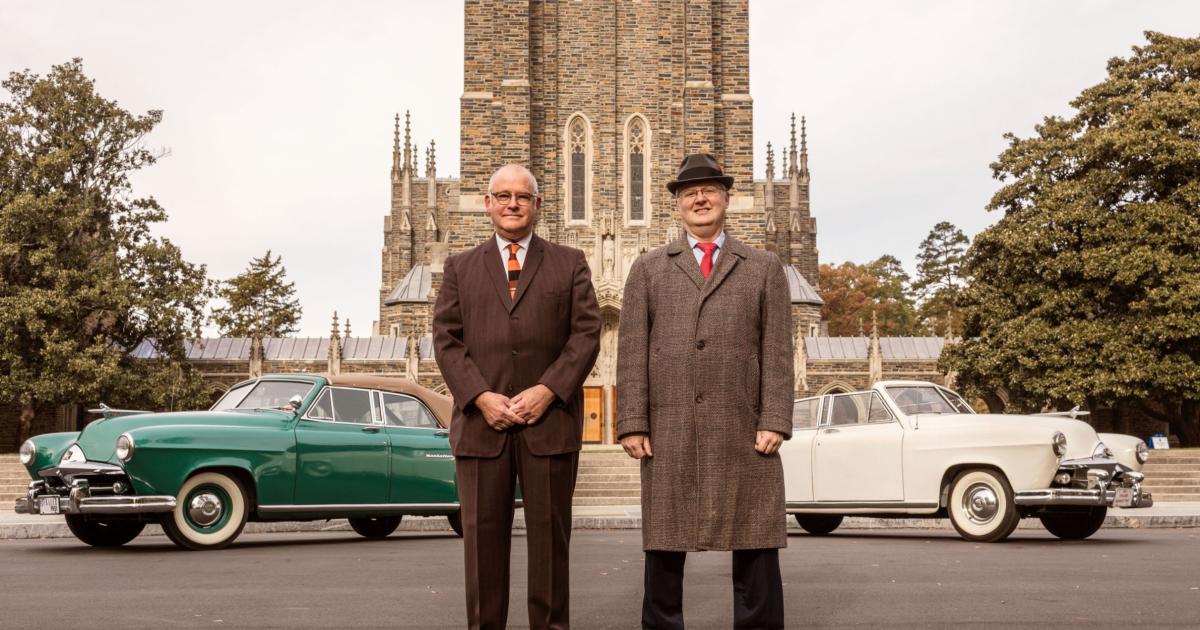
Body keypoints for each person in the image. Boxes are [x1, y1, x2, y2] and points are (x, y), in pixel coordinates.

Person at [616, 153, 795, 629]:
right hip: (670, 426)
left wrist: (774, 418)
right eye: (690, 192)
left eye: (710, 190)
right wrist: (632, 421)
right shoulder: (649, 269)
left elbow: (777, 350)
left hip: (742, 427)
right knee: (665, 547)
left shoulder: (763, 267)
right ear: (677, 204)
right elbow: (632, 351)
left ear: (726, 199)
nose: (700, 198)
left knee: (755, 542)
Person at [433, 164, 601, 630]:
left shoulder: (569, 263)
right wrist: (480, 396)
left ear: (537, 206)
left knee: (550, 547)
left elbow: (585, 335)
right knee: (483, 549)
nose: (512, 204)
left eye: (522, 197)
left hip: (549, 427)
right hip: (481, 429)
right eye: (502, 196)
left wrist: (548, 391)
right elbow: (446, 339)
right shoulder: (461, 267)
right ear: (488, 204)